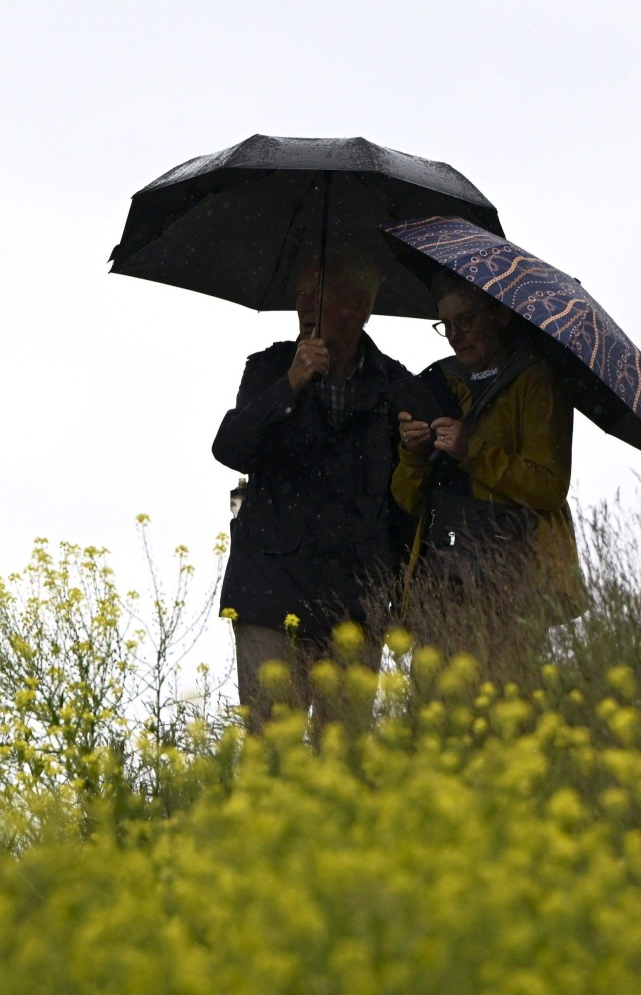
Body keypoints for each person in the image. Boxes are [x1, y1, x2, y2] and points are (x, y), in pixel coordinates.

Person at [212, 249, 409, 723]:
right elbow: (230, 449)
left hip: (354, 604)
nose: (304, 304)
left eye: (318, 292)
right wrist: (291, 383)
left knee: (342, 764)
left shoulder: (396, 386)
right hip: (270, 592)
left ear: (360, 305)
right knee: (271, 753)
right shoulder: (267, 368)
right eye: (300, 292)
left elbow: (404, 502)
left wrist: (398, 599)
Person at [392, 276, 580, 592]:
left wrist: (471, 452)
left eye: (464, 321)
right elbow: (407, 502)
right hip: (436, 577)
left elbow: (549, 488)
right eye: (445, 324)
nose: (454, 336)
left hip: (512, 580)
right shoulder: (437, 380)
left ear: (501, 315)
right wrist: (412, 453)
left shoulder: (536, 380)